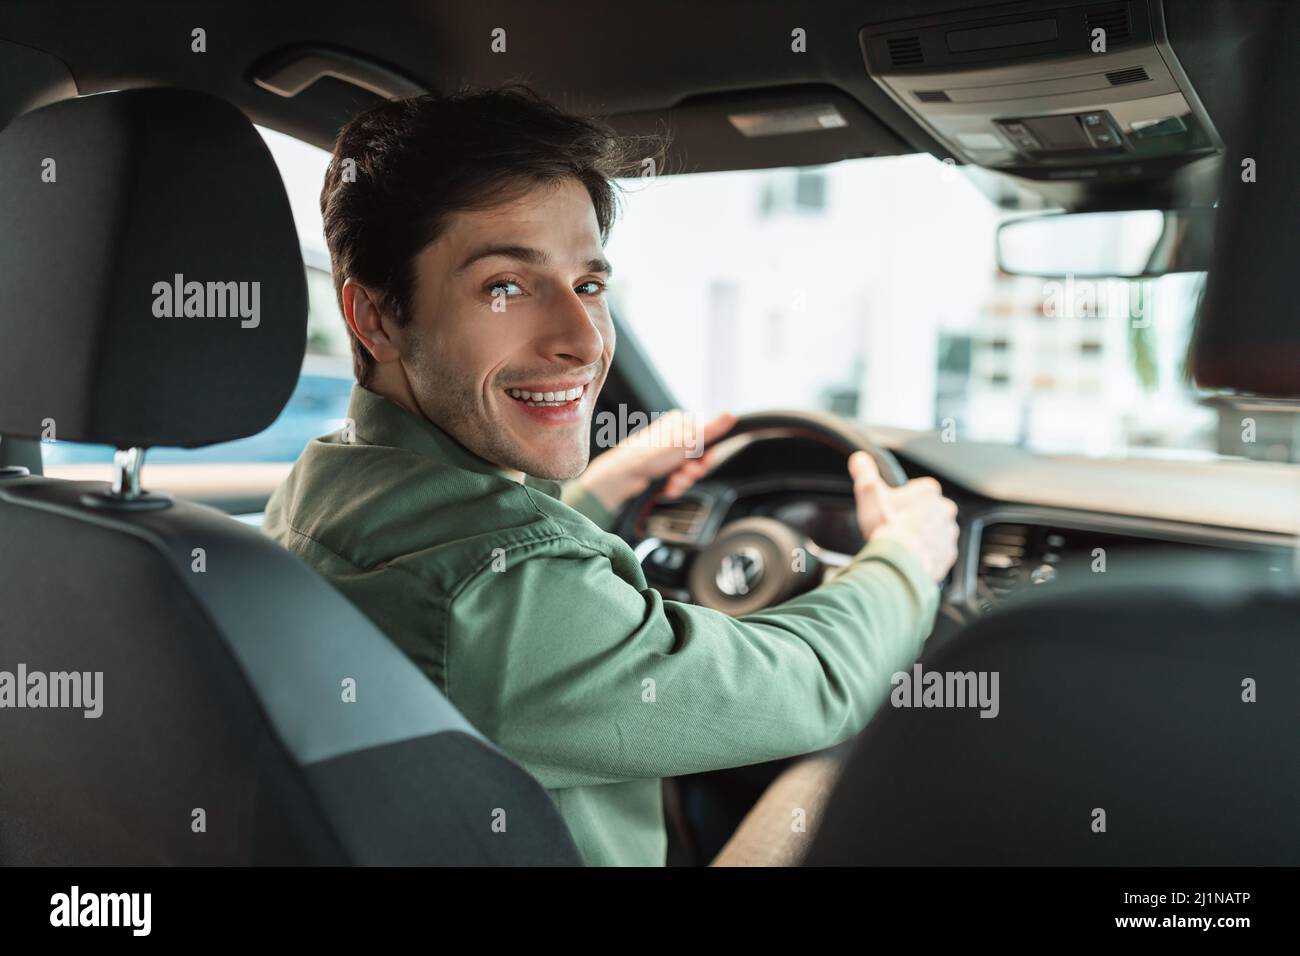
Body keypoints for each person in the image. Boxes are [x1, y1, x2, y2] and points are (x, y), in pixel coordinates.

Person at [262, 85, 959, 866]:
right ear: (376, 318)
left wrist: (598, 492)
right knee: (839, 772)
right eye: (506, 286)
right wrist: (903, 562)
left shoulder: (324, 486)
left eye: (589, 285)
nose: (584, 341)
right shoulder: (503, 596)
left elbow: (477, 585)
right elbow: (817, 685)